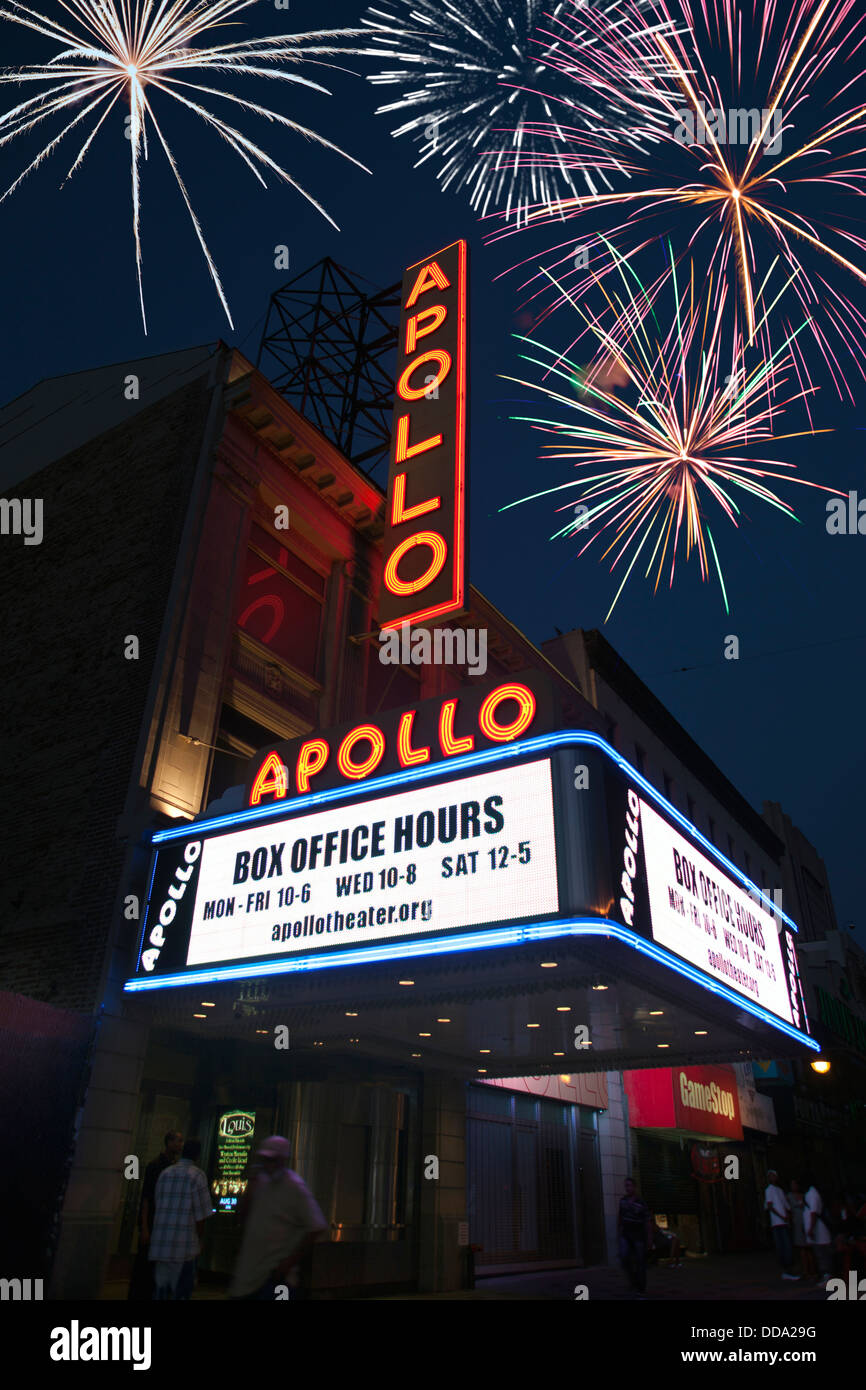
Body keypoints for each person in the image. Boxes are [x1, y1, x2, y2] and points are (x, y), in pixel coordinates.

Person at [229, 1136, 327, 1300]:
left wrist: (288, 1263)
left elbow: (317, 1226)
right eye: (264, 1159)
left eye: (272, 1160)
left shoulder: (295, 1187)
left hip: (276, 1277)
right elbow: (243, 1216)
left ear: (283, 1160)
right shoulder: (260, 1182)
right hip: (249, 1273)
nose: (268, 1165)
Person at [148, 1137, 213, 1300]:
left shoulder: (165, 1173)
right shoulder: (198, 1176)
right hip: (184, 1247)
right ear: (198, 1155)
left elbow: (156, 1203)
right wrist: (200, 1241)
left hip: (161, 1245)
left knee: (161, 1291)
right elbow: (201, 1215)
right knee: (180, 1293)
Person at [128, 1129, 183, 1301]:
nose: (180, 1144)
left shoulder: (172, 1166)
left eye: (181, 1141)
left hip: (161, 1223)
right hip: (153, 1222)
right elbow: (147, 1197)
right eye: (177, 1141)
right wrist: (144, 1226)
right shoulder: (156, 1165)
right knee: (145, 1265)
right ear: (168, 1142)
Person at [617, 1177, 652, 1297]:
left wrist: (649, 1238)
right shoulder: (623, 1201)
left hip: (638, 1235)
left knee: (640, 1261)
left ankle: (640, 1287)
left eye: (630, 1185)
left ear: (635, 1187)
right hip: (626, 1234)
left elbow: (647, 1221)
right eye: (626, 1186)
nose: (628, 1188)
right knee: (624, 1257)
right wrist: (619, 1232)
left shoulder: (641, 1202)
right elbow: (620, 1217)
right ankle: (633, 1280)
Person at [764, 1169, 799, 1280]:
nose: (772, 1178)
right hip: (777, 1223)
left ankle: (789, 1269)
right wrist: (782, 1216)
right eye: (770, 1176)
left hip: (783, 1222)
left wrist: (788, 1216)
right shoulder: (769, 1190)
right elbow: (769, 1206)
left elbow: (786, 1205)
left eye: (773, 1175)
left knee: (787, 1246)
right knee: (783, 1247)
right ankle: (786, 1270)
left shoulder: (779, 1190)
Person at [803, 1178, 834, 1284]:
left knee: (822, 1253)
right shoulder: (812, 1193)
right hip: (817, 1229)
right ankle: (825, 1274)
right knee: (821, 1253)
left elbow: (813, 1213)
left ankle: (827, 1275)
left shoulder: (812, 1194)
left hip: (818, 1229)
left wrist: (811, 1228)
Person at [788, 1179, 813, 1279]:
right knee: (802, 1247)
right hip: (797, 1221)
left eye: (795, 1184)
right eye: (792, 1184)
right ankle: (805, 1270)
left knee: (809, 1247)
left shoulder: (805, 1195)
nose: (794, 1186)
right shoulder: (789, 1197)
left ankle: (812, 1270)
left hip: (806, 1220)